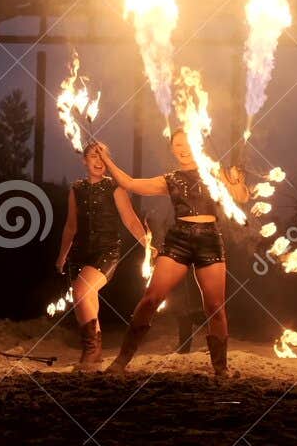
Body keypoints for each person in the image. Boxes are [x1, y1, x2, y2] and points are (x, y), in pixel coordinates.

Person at [96, 132, 233, 377]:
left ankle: (221, 369)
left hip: (209, 240)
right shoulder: (170, 179)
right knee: (150, 299)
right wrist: (106, 160)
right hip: (179, 239)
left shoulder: (214, 172)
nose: (182, 148)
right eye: (177, 145)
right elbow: (129, 183)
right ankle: (121, 361)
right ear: (172, 149)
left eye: (187, 143)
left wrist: (237, 180)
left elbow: (242, 196)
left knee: (214, 306)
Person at [55, 143, 150, 371]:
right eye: (93, 156)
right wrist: (62, 257)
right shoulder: (76, 189)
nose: (98, 161)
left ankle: (89, 351)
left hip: (107, 251)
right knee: (87, 298)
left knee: (80, 291)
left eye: (103, 156)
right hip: (80, 253)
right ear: (84, 161)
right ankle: (94, 354)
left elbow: (130, 220)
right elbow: (71, 226)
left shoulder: (115, 187)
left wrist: (148, 244)